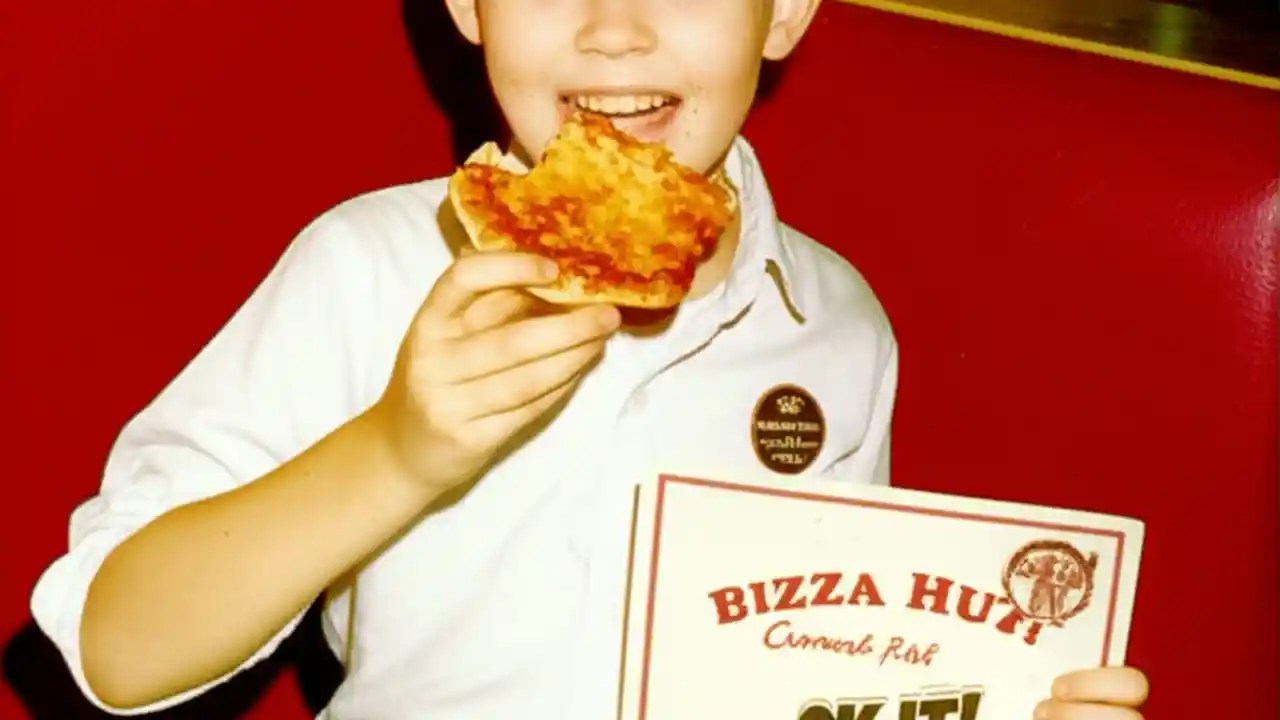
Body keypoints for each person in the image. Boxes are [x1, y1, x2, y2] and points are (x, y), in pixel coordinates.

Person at [29, 1, 1150, 718]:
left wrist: (993, 700)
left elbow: (824, 667)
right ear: (468, 3)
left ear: (788, 9)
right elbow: (119, 651)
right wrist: (397, 451)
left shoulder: (837, 323)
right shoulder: (368, 269)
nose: (613, 27)